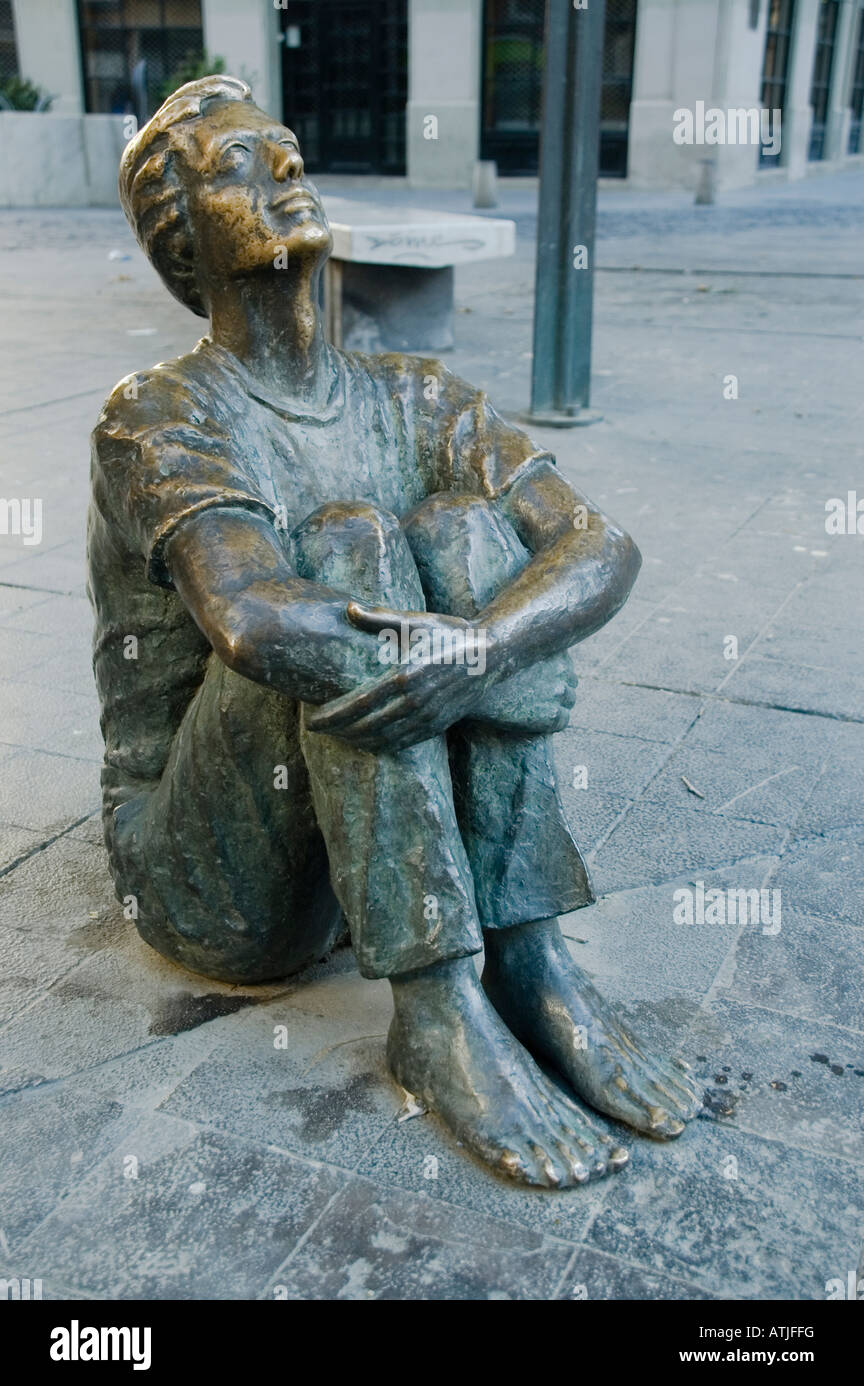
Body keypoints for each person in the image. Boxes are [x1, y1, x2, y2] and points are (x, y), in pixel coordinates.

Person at [88, 75, 699, 1189]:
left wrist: (487, 647)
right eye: (237, 166)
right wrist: (472, 660)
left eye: (285, 147)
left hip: (342, 849)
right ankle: (436, 1003)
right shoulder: (159, 413)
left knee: (473, 536)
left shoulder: (417, 394)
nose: (284, 167)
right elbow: (251, 617)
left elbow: (598, 545)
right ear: (184, 249)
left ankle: (529, 957)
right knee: (350, 548)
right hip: (209, 875)